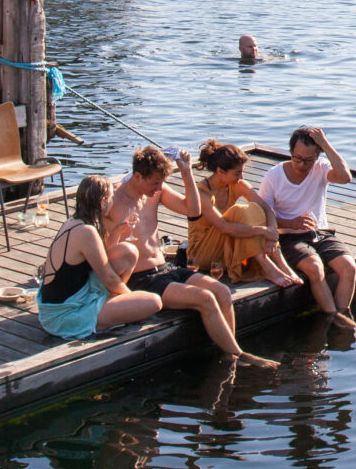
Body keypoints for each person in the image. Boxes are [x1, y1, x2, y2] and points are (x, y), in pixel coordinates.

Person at [105, 145, 272, 363]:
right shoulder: (112, 198)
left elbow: (193, 211)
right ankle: (237, 355)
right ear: (138, 176)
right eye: (155, 182)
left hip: (167, 268)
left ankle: (229, 350)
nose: (158, 187)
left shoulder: (156, 192)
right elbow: (97, 241)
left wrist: (186, 172)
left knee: (221, 292)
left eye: (161, 183)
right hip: (141, 278)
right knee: (205, 298)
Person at [36, 175, 167, 338]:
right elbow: (109, 279)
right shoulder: (86, 231)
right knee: (154, 302)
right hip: (64, 315)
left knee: (127, 251)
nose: (113, 201)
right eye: (111, 197)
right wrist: (130, 297)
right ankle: (107, 315)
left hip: (70, 298)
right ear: (103, 201)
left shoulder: (75, 222)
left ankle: (112, 306)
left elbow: (102, 260)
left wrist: (116, 233)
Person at [258, 126, 356, 331]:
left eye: (308, 160)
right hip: (289, 236)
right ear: (291, 153)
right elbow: (261, 216)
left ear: (317, 157)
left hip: (319, 233)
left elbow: (345, 177)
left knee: (349, 267)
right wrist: (290, 223)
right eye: (297, 158)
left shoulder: (320, 168)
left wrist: (326, 144)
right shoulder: (274, 176)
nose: (302, 165)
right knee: (315, 268)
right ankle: (335, 319)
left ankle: (341, 313)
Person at [189, 141, 301, 288]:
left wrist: (272, 235)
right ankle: (267, 267)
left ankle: (282, 264)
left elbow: (267, 210)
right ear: (220, 171)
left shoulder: (237, 184)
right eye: (237, 173)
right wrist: (262, 231)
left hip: (226, 247)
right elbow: (224, 227)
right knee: (238, 212)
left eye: (242, 172)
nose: (241, 177)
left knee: (255, 209)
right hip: (202, 255)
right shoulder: (202, 193)